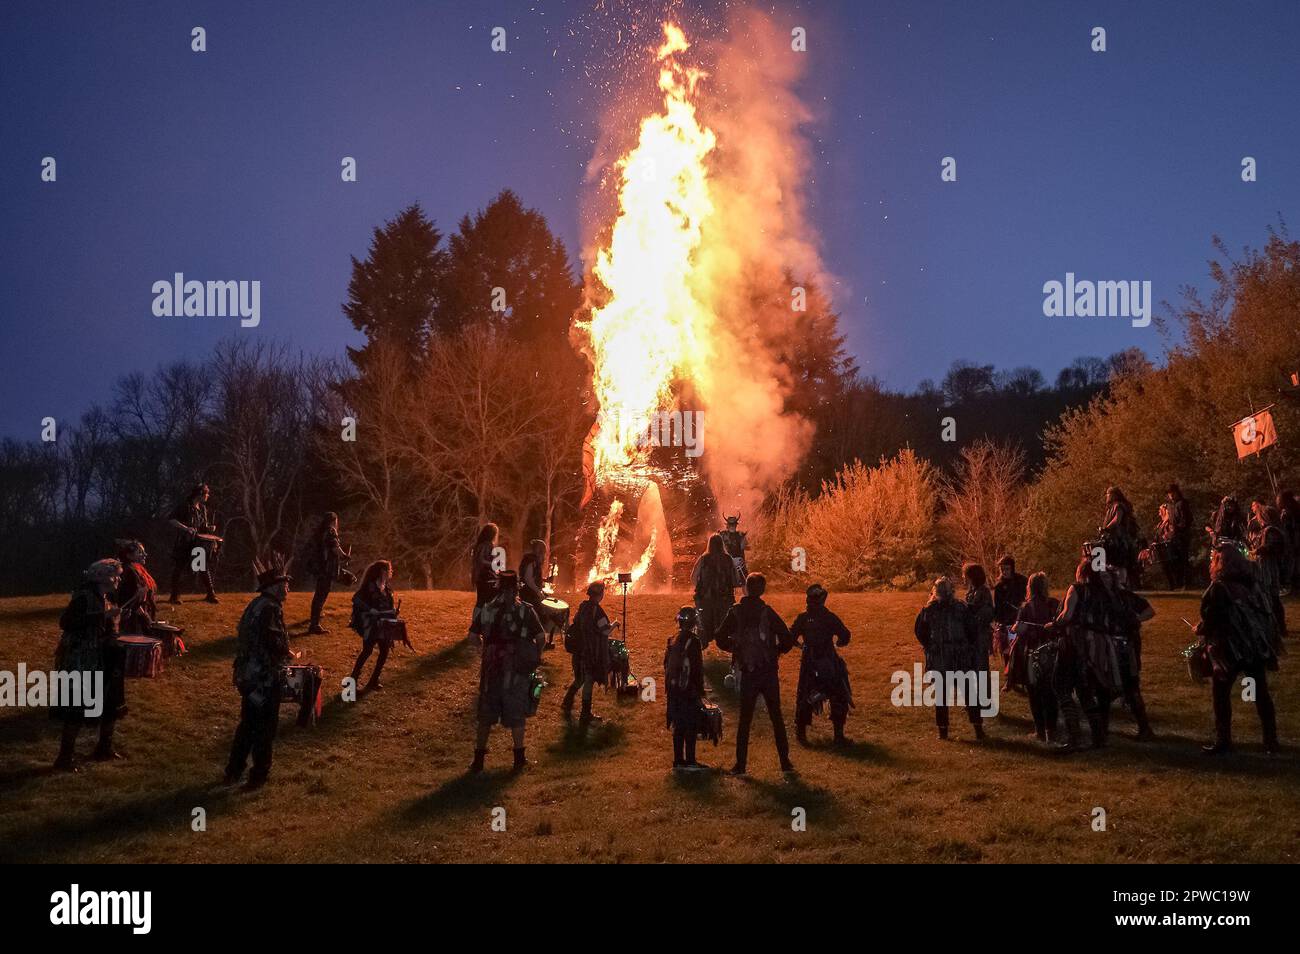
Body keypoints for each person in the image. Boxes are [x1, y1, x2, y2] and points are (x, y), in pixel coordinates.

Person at [1196, 545, 1280, 754]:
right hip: (1253, 648)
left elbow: (1214, 619)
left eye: (1214, 559)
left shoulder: (1219, 588)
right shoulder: (1253, 584)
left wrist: (1201, 629)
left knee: (1221, 694)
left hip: (1230, 649)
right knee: (1259, 693)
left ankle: (1224, 741)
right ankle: (1270, 741)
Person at [225, 553, 296, 790]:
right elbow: (273, 641)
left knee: (247, 724)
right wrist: (288, 654)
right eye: (284, 584)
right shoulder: (270, 609)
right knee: (265, 727)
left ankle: (233, 771)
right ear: (275, 587)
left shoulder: (256, 604)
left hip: (247, 674)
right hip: (264, 677)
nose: (288, 587)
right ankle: (259, 775)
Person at [716, 573, 796, 776]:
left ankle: (741, 765)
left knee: (745, 720)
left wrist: (735, 649)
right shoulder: (767, 612)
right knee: (776, 717)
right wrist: (776, 652)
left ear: (746, 589)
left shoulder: (736, 612)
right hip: (768, 671)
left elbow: (719, 637)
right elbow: (787, 639)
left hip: (748, 672)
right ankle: (785, 763)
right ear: (762, 590)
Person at [52, 559, 127, 770]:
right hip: (81, 660)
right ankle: (64, 759)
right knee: (76, 710)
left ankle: (104, 748)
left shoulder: (107, 596)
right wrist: (102, 616)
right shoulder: (84, 595)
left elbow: (106, 627)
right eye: (117, 575)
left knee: (110, 703)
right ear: (104, 577)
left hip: (103, 657)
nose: (119, 579)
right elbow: (66, 622)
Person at [468, 571, 545, 773]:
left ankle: (478, 761)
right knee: (517, 710)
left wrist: (484, 652)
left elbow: (472, 637)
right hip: (516, 668)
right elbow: (540, 636)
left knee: (486, 712)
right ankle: (519, 759)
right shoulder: (525, 611)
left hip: (491, 667)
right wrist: (535, 656)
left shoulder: (487, 609)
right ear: (517, 587)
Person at [1047, 559, 1124, 750]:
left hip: (1074, 644)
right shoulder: (1105, 593)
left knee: (1061, 686)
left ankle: (1075, 737)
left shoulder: (1077, 589)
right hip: (1096, 649)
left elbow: (1067, 615)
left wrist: (1053, 624)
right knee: (1085, 690)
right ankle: (1099, 738)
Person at [915, 577, 984, 741]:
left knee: (944, 695)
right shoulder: (960, 608)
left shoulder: (928, 610)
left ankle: (944, 732)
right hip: (958, 655)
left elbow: (919, 631)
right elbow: (972, 630)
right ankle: (977, 729)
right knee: (968, 693)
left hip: (942, 656)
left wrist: (929, 645)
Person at [790, 583, 853, 746]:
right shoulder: (829, 617)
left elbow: (790, 637)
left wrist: (801, 646)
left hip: (809, 662)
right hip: (828, 660)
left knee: (804, 696)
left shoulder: (803, 618)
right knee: (838, 695)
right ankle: (838, 735)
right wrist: (839, 643)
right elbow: (845, 636)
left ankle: (801, 734)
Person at [1101, 568, 1156, 741]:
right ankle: (1102, 729)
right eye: (1101, 577)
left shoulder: (1125, 596)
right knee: (1103, 688)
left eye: (1106, 577)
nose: (1104, 580)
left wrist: (1135, 620)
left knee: (1130, 688)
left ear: (1112, 578)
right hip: (1105, 647)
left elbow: (1149, 611)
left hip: (1125, 647)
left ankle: (1144, 728)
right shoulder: (1096, 597)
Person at [1006, 572, 1059, 743]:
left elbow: (1019, 630)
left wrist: (1015, 628)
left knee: (1035, 692)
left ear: (1030, 587)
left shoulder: (1027, 607)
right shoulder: (1054, 604)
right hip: (1052, 652)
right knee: (1051, 692)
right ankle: (1051, 730)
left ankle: (1040, 731)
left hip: (1032, 652)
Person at [561, 580, 616, 727]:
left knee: (579, 679)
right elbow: (605, 630)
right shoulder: (597, 611)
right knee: (588, 681)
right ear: (600, 594)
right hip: (590, 652)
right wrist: (615, 625)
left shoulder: (583, 607)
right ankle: (585, 714)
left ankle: (567, 702)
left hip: (579, 651)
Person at [349, 560, 408, 693]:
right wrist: (370, 609)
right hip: (372, 625)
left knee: (384, 651)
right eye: (389, 570)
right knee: (367, 651)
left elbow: (388, 606)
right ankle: (352, 683)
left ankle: (373, 681)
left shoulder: (387, 588)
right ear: (382, 571)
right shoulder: (369, 587)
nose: (391, 572)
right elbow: (356, 599)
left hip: (385, 625)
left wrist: (393, 611)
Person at [664, 605, 707, 771]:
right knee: (690, 724)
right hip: (688, 690)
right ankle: (690, 761)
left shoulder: (672, 639)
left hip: (673, 689)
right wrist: (700, 690)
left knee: (678, 724)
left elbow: (666, 664)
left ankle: (678, 761)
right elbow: (697, 668)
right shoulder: (694, 641)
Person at [167, 483, 221, 604]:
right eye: (206, 494)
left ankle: (210, 594)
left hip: (198, 542)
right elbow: (171, 519)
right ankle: (174, 596)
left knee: (202, 566)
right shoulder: (185, 506)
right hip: (184, 542)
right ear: (200, 494)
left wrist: (209, 528)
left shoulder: (202, 509)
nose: (208, 496)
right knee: (179, 568)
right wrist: (186, 528)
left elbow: (202, 527)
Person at [1248, 501, 1289, 643]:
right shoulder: (1266, 530)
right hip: (1264, 566)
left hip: (1268, 567)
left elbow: (1271, 547)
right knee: (1268, 597)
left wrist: (1257, 550)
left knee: (1272, 597)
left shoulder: (1271, 530)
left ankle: (1280, 627)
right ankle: (1273, 627)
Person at [307, 512, 350, 634]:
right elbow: (335, 547)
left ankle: (315, 620)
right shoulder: (330, 531)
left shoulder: (320, 532)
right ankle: (314, 625)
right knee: (321, 595)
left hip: (320, 567)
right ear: (334, 521)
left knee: (319, 595)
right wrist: (344, 556)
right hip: (326, 568)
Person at [691, 533, 736, 646]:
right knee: (724, 625)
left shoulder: (703, 559)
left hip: (705, 599)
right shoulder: (728, 559)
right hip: (725, 599)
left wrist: (701, 588)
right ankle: (725, 642)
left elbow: (693, 577)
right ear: (722, 545)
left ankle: (703, 641)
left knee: (704, 625)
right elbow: (735, 579)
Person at [115, 539, 157, 636]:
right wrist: (145, 617)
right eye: (140, 552)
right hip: (134, 620)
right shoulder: (129, 571)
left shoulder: (137, 569)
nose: (145, 554)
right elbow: (130, 597)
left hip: (139, 617)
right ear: (129, 555)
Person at [1100, 486, 1139, 585]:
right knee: (1112, 561)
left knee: (1119, 561)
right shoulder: (1112, 507)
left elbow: (1117, 520)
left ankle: (1122, 584)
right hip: (1113, 538)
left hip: (1119, 539)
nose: (1107, 496)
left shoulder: (1118, 506)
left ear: (1114, 495)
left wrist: (1106, 528)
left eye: (1108, 494)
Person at [991, 555, 1028, 659]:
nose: (1004, 571)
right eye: (1002, 569)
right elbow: (998, 607)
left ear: (1012, 568)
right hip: (1006, 623)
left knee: (1021, 653)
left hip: (1020, 621)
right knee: (1007, 654)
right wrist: (999, 624)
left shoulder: (1022, 581)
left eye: (1007, 569)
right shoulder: (999, 586)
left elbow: (1028, 599)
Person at [467, 523, 500, 639]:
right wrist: (493, 564)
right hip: (484, 577)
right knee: (483, 602)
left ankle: (477, 628)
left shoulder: (481, 545)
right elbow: (481, 560)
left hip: (482, 576)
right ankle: (477, 628)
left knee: (481, 601)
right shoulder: (486, 545)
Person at [964, 563, 995, 670]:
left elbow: (988, 613)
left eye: (967, 576)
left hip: (980, 633)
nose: (965, 578)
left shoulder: (983, 591)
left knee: (981, 664)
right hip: (971, 634)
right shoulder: (971, 591)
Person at [1166, 483, 1194, 588]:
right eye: (1169, 494)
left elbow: (1187, 520)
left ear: (1177, 493)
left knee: (1183, 559)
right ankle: (1179, 582)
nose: (1171, 495)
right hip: (1174, 536)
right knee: (1174, 560)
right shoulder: (1170, 506)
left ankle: (1187, 583)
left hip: (1182, 536)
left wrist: (1177, 529)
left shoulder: (1182, 504)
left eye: (1173, 493)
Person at [518, 538, 548, 620]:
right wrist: (538, 592)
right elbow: (528, 580)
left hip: (531, 593)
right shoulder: (531, 561)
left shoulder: (534, 561)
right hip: (528, 594)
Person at [1277, 490, 1300, 592]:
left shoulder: (1289, 512)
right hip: (1293, 542)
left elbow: (1290, 528)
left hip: (1294, 542)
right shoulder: (1292, 509)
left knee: (1294, 564)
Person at [719, 515, 748, 587]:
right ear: (727, 525)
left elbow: (743, 547)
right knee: (727, 582)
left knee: (744, 582)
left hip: (739, 563)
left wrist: (743, 539)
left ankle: (747, 596)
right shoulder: (722, 534)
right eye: (731, 524)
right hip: (727, 563)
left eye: (733, 524)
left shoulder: (740, 535)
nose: (732, 526)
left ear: (736, 525)